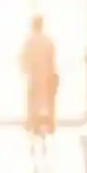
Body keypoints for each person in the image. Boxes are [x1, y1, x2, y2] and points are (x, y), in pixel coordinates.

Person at [20, 15, 58, 156]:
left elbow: (23, 61)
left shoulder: (29, 42)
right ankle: (48, 127)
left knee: (33, 104)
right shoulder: (48, 41)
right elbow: (52, 60)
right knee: (47, 104)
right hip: (47, 78)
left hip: (34, 78)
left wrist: (27, 71)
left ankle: (34, 127)